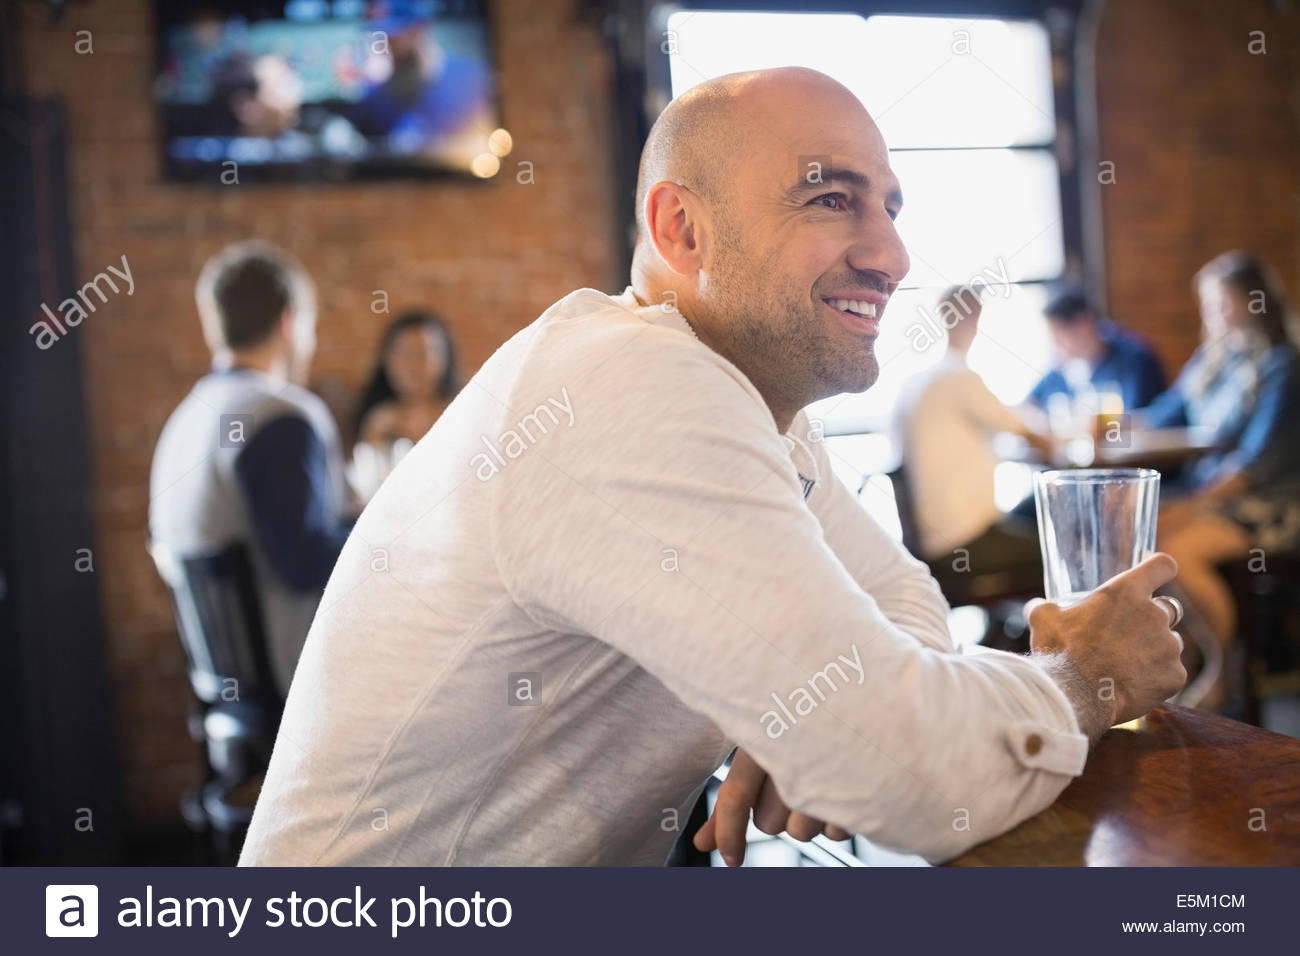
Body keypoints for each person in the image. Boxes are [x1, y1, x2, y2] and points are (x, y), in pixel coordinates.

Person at [239, 68, 1185, 868]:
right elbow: (908, 773)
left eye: (890, 208)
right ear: (682, 230)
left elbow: (905, 613)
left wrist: (819, 721)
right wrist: (1080, 679)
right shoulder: (633, 382)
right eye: (830, 198)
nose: (893, 254)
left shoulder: (746, 397)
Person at [149, 241, 353, 696]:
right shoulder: (278, 416)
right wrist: (383, 525)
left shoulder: (185, 420)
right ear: (289, 321)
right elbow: (302, 563)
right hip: (294, 680)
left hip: (226, 680)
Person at [1144, 252, 1300, 709]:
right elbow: (1166, 413)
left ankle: (1223, 669)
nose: (1211, 313)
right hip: (1218, 492)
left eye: (1220, 301)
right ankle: (1181, 657)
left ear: (1254, 302)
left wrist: (1192, 504)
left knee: (1176, 549)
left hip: (1276, 502)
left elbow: (1259, 466)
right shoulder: (1216, 360)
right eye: (1207, 304)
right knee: (1146, 530)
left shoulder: (1281, 364)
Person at [892, 285, 1048, 581]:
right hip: (964, 540)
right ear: (974, 318)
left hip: (929, 541)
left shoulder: (915, 383)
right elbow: (1028, 433)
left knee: (1031, 513)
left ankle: (1008, 626)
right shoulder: (959, 378)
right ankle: (1039, 626)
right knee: (1062, 551)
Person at [1027, 283, 1166, 414]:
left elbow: (1133, 417)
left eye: (1059, 337)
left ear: (1083, 323)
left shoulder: (1134, 359)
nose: (1057, 346)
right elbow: (1030, 404)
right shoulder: (1065, 367)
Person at [354, 310, 461, 448]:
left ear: (445, 357)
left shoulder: (461, 416)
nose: (413, 364)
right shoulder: (380, 423)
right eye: (405, 352)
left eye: (423, 353)